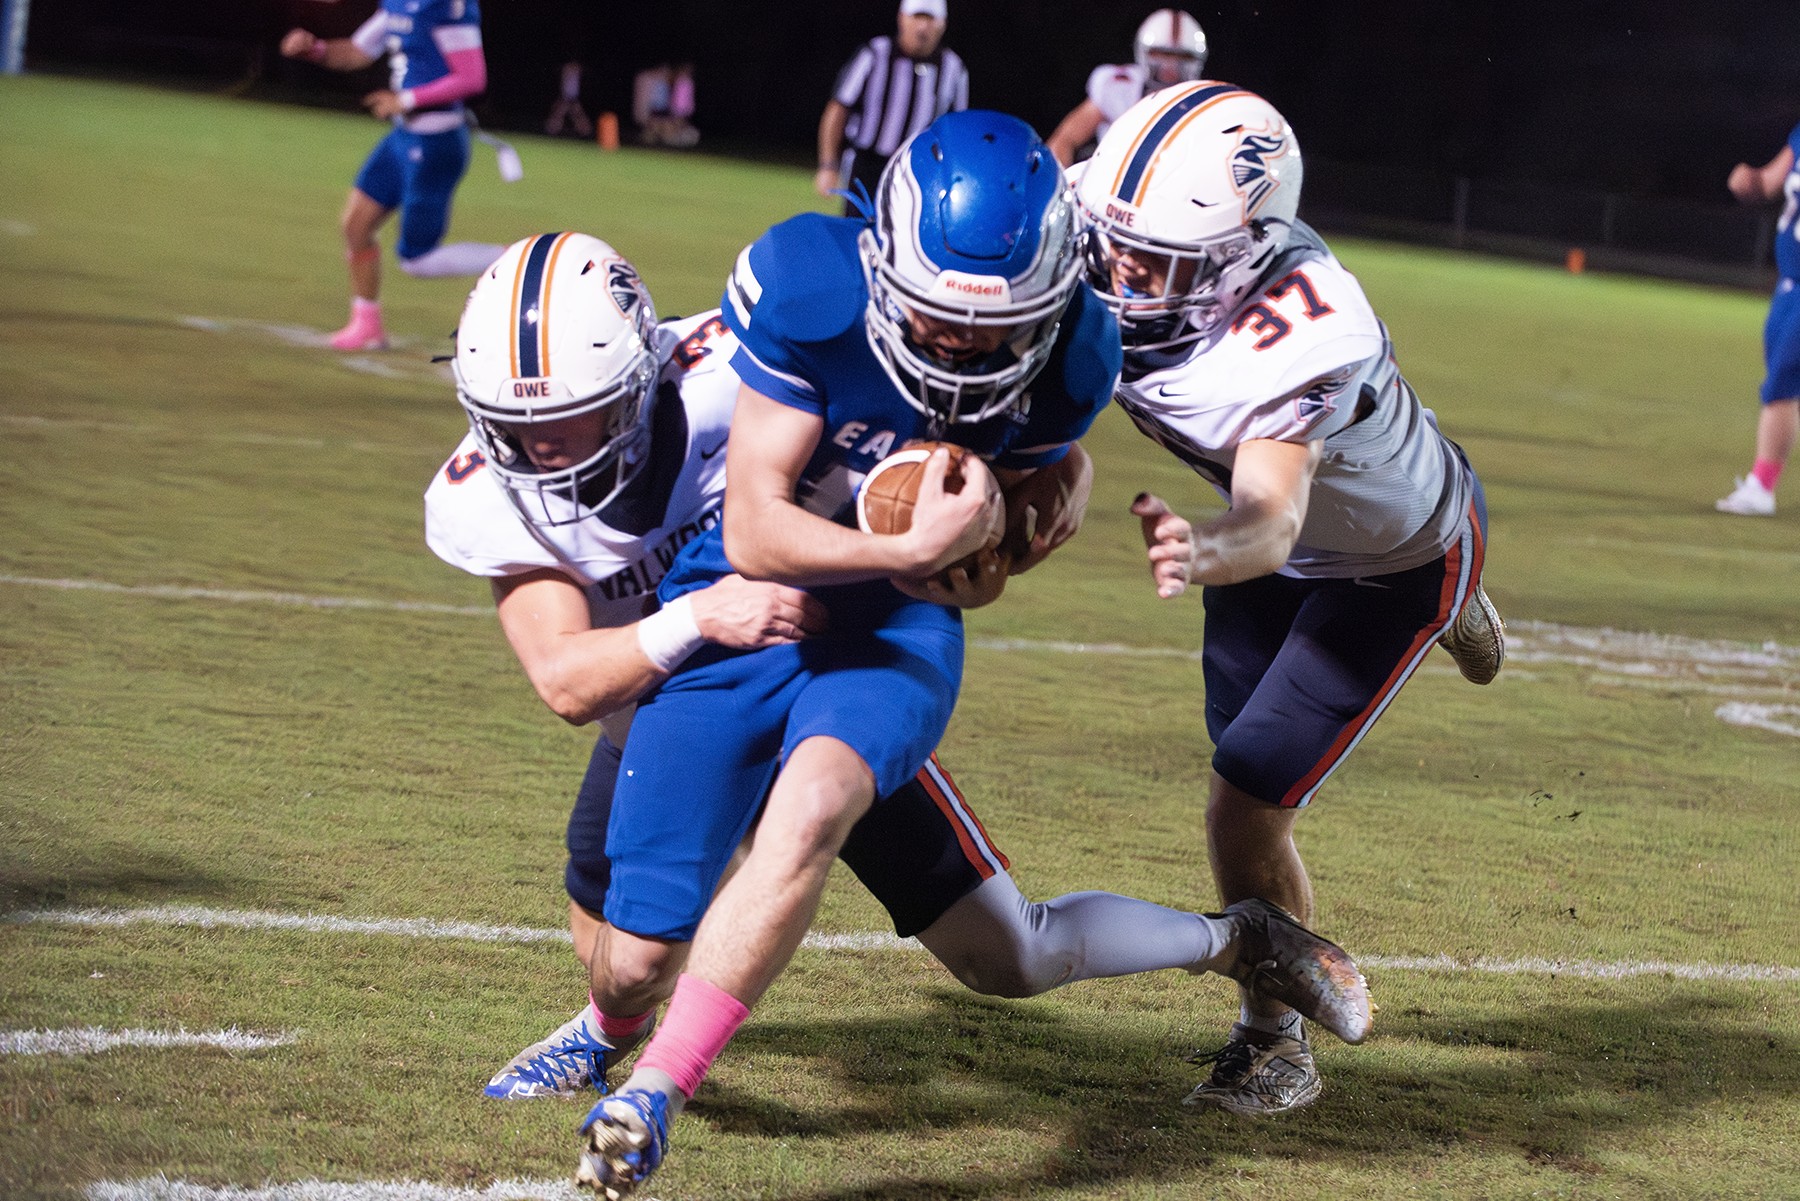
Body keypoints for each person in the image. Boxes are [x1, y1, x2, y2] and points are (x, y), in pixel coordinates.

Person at [570, 111, 1371, 1199]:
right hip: (735, 604)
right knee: (648, 962)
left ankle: (656, 1091)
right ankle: (606, 1026)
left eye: (997, 330)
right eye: (939, 320)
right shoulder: (808, 283)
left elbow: (978, 572)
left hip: (890, 637)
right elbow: (755, 529)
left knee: (813, 808)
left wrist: (1010, 536)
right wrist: (901, 544)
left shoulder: (1075, 354)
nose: (960, 349)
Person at [1072, 81, 1506, 1116]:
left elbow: (1270, 517)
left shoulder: (1299, 327)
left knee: (1245, 801)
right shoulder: (1114, 225)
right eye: (1114, 243)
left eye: (1159, 262)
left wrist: (1208, 550)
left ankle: (1276, 1045)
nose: (1120, 274)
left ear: (1240, 253)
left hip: (1386, 555)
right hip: (1298, 536)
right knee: (1238, 779)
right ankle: (1463, 610)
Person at [280, 0, 507, 352]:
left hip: (436, 143)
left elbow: (472, 77)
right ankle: (366, 324)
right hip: (404, 137)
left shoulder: (445, 7)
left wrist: (407, 99)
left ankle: (517, 259)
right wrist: (316, 49)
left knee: (417, 260)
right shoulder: (400, 4)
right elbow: (357, 51)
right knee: (356, 226)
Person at [815, 0, 967, 217]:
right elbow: (838, 109)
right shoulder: (874, 54)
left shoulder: (953, 68)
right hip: (867, 165)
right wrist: (828, 164)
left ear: (942, 24)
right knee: (857, 235)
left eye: (930, 19)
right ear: (902, 18)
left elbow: (956, 130)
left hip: (917, 172)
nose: (923, 27)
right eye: (917, 17)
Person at [1715, 133, 1800, 515]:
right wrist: (1747, 180)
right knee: (1783, 382)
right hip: (1789, 282)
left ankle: (1761, 487)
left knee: (1781, 380)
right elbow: (1768, 182)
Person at [1045, 8, 1208, 168]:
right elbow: (1065, 139)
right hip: (1109, 184)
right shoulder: (1120, 86)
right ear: (1142, 51)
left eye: (1182, 56)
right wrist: (1060, 185)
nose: (1170, 65)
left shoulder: (1206, 100)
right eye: (1162, 53)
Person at [545, 61, 594, 139]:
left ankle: (586, 132)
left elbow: (579, 69)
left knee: (574, 115)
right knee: (559, 114)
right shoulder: (566, 72)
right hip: (567, 97)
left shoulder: (575, 72)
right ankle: (551, 130)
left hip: (571, 97)